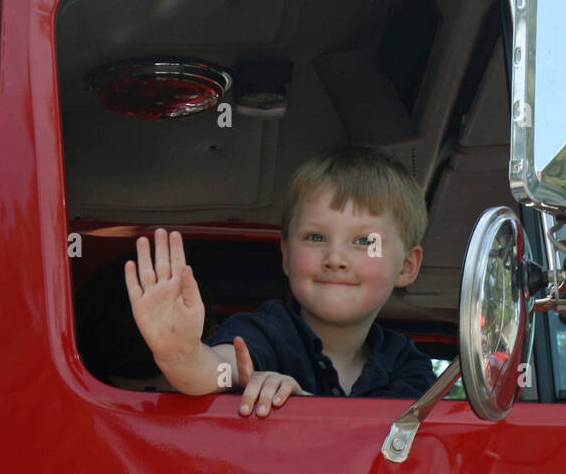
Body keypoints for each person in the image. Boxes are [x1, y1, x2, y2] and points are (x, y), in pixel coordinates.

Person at [124, 145, 435, 415]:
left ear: (407, 266)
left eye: (365, 242)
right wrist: (182, 355)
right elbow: (217, 371)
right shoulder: (266, 331)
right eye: (315, 237)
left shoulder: (406, 364)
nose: (335, 258)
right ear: (286, 255)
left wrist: (304, 408)